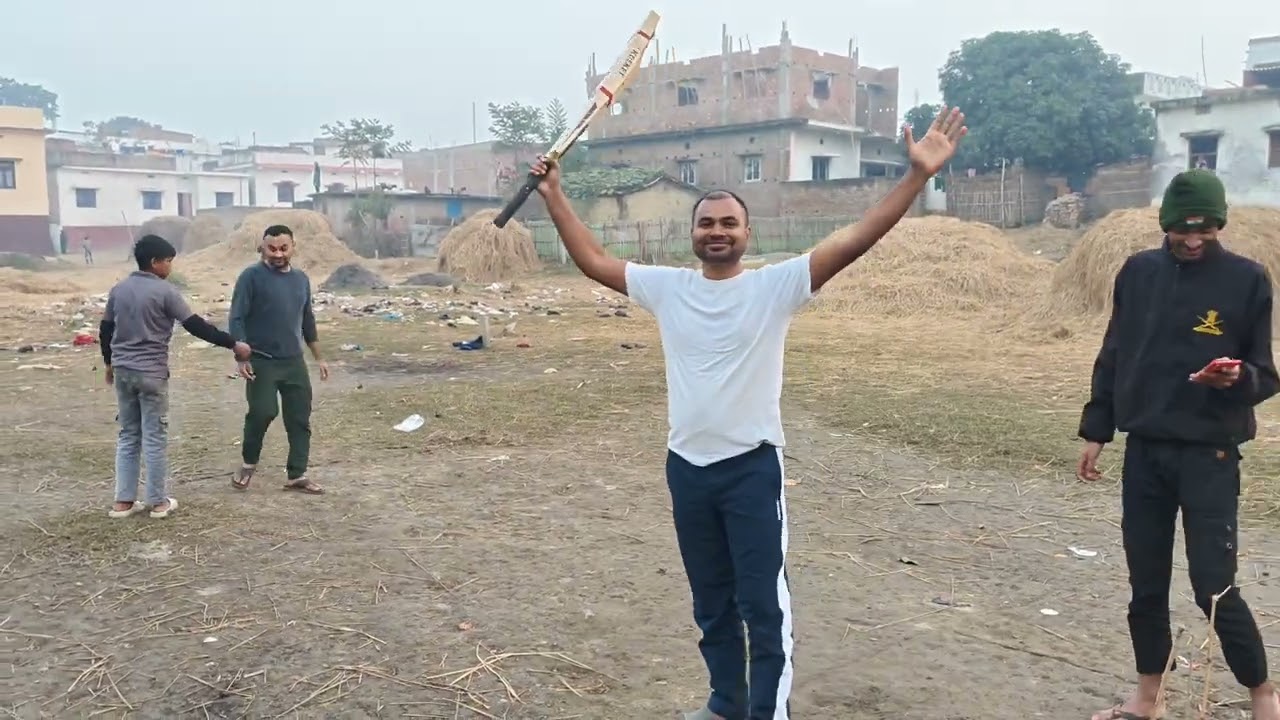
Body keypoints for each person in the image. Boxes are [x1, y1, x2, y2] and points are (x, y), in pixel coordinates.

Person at [531, 107, 967, 720]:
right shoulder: (667, 288)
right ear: (693, 233)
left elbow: (857, 236)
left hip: (750, 471)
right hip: (687, 468)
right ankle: (725, 704)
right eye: (706, 222)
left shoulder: (776, 287)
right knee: (711, 604)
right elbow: (594, 260)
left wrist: (917, 178)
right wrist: (553, 193)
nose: (717, 231)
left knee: (763, 607)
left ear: (746, 232)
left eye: (728, 223)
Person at [1078, 169, 1280, 720]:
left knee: (1213, 585)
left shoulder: (1247, 280)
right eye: (1183, 230)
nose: (1193, 240)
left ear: (1219, 226)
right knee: (1146, 581)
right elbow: (1114, 353)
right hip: (1145, 451)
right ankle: (1148, 697)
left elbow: (1267, 374)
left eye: (1206, 231)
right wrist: (1098, 428)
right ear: (1165, 223)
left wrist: (1236, 380)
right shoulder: (1138, 273)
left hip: (1209, 454)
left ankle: (1264, 697)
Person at [99, 234, 250, 518]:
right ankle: (157, 502)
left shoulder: (119, 289)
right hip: (151, 374)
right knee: (155, 437)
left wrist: (109, 363)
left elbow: (106, 329)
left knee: (129, 434)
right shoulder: (165, 292)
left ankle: (123, 501)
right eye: (168, 261)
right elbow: (195, 326)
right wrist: (233, 343)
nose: (170, 266)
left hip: (123, 372)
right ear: (155, 262)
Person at [228, 224, 329, 495]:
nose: (277, 254)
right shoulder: (250, 277)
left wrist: (319, 358)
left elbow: (307, 320)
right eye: (271, 248)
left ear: (293, 247)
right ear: (261, 247)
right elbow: (236, 317)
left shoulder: (301, 280)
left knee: (299, 417)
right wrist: (240, 356)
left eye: (283, 248)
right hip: (261, 360)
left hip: (293, 361)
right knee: (262, 412)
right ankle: (248, 464)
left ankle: (297, 474)